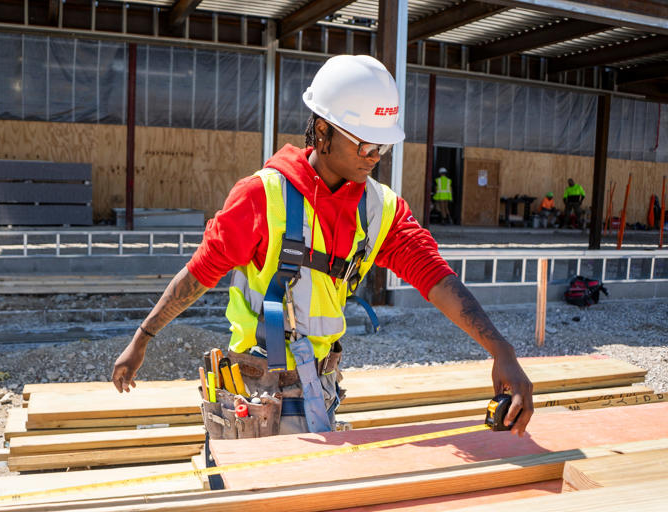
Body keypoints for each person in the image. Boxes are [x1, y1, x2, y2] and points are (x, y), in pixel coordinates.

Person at [111, 55, 533, 439]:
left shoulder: (379, 209)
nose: (374, 157)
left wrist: (501, 350)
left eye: (382, 146)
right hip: (256, 389)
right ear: (323, 130)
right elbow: (199, 273)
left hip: (321, 384)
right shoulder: (261, 197)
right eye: (365, 144)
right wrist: (142, 338)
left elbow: (435, 277)